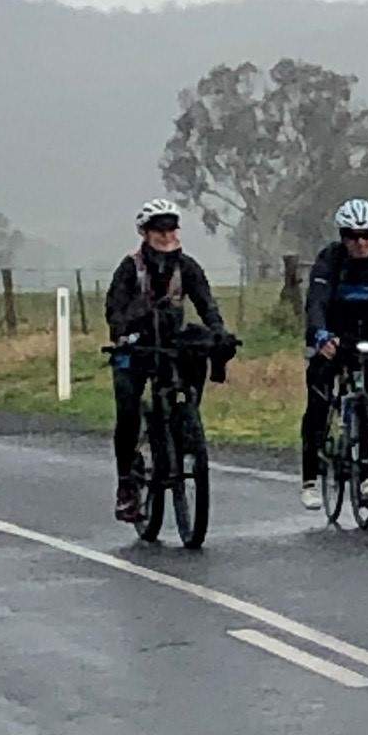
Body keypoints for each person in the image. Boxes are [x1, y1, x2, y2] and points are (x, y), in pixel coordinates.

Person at [106, 199, 230, 521]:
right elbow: (115, 311)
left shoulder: (187, 266)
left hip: (172, 343)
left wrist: (218, 331)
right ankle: (126, 485)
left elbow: (206, 303)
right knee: (128, 408)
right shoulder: (130, 268)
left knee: (196, 363)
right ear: (145, 233)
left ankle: (185, 427)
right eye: (159, 228)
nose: (166, 234)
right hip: (136, 346)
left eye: (171, 227)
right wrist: (124, 332)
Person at [300, 199, 368, 510]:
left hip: (364, 337)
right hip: (329, 334)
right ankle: (310, 476)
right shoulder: (330, 260)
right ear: (342, 237)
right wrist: (320, 334)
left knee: (367, 400)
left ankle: (365, 474)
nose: (361, 242)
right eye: (352, 235)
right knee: (319, 402)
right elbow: (316, 303)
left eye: (367, 234)